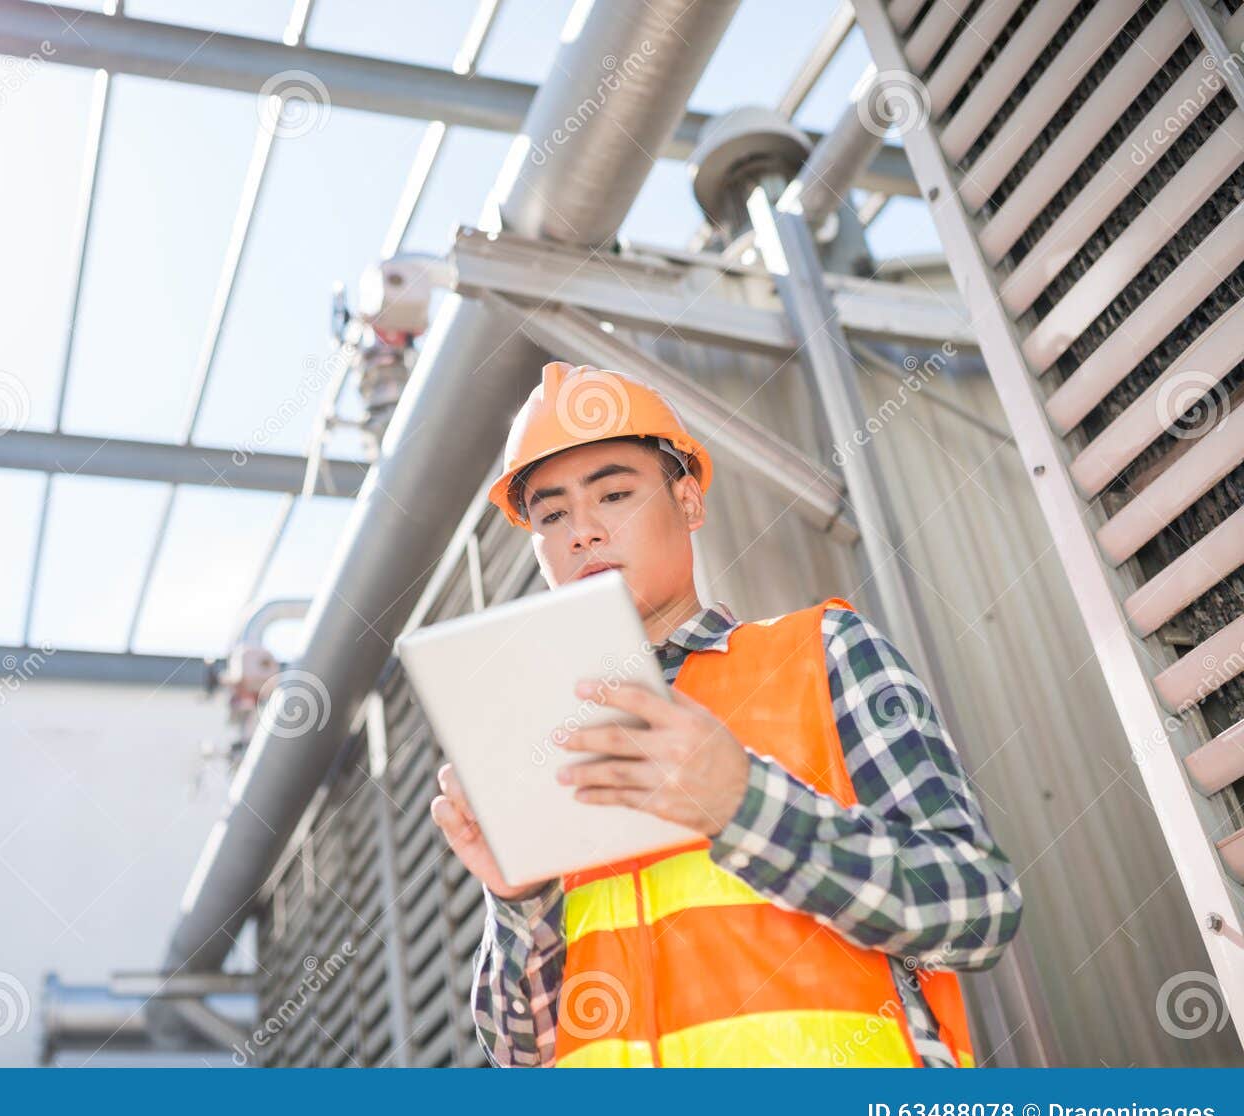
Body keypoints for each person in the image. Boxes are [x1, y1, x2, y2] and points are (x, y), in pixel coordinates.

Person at [429, 360, 1022, 1068]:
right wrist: (517, 897)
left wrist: (745, 804)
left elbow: (977, 909)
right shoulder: (544, 742)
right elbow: (520, 1056)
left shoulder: (821, 652)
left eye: (613, 494)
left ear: (687, 502)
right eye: (552, 515)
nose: (581, 531)